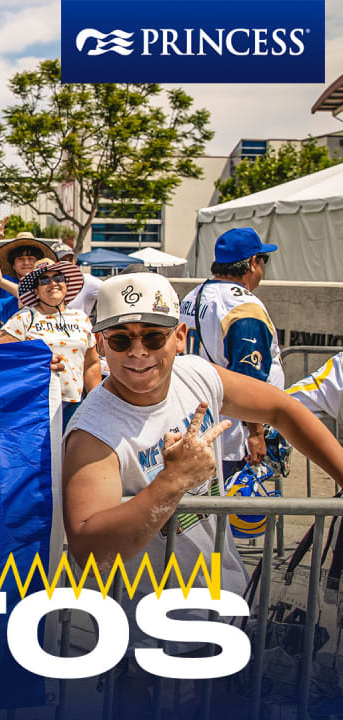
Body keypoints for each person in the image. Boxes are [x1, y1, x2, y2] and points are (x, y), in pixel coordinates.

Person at [62, 273, 343, 652]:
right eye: (121, 338)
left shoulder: (194, 375)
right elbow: (89, 552)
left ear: (179, 336)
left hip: (226, 605)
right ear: (101, 344)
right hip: (153, 635)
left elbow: (282, 408)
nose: (138, 351)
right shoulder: (92, 434)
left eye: (153, 336)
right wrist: (173, 481)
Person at [179, 227, 283, 479]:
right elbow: (249, 379)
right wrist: (256, 434)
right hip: (233, 436)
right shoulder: (243, 306)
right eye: (263, 260)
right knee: (233, 513)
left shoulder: (194, 295)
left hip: (195, 421)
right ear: (251, 263)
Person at [0, 258, 100, 426]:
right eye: (44, 280)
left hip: (74, 404)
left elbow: (91, 363)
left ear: (66, 285)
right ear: (36, 290)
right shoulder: (24, 317)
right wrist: (35, 359)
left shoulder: (82, 318)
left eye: (58, 278)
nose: (53, 283)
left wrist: (96, 401)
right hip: (35, 404)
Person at [0, 225, 56, 322]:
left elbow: (30, 296)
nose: (26, 263)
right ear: (13, 264)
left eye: (31, 259)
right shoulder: (5, 280)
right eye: (21, 259)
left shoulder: (47, 282)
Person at [52, 241, 102, 315]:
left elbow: (110, 291)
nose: (68, 263)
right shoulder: (45, 282)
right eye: (63, 260)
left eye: (71, 259)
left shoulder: (85, 281)